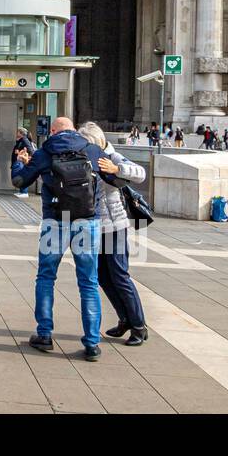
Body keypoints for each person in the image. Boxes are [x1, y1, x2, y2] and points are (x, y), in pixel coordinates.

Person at [10, 115, 108, 361]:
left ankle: (44, 334)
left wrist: (19, 162)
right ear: (74, 130)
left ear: (53, 131)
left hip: (55, 221)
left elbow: (19, 181)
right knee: (88, 282)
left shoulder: (45, 152)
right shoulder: (92, 149)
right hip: (88, 221)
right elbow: (114, 177)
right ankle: (92, 343)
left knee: (46, 276)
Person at [78, 122, 147, 346]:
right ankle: (124, 318)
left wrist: (117, 169)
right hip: (96, 225)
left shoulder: (111, 156)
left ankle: (139, 326)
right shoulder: (88, 157)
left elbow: (141, 173)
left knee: (119, 275)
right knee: (103, 277)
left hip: (115, 226)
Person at [9, 127, 36, 196]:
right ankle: (22, 191)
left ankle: (24, 192)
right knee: (19, 176)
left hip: (21, 161)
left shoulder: (24, 140)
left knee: (22, 176)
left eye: (18, 132)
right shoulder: (20, 140)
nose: (16, 133)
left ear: (21, 133)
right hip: (18, 161)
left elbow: (30, 151)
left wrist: (23, 154)